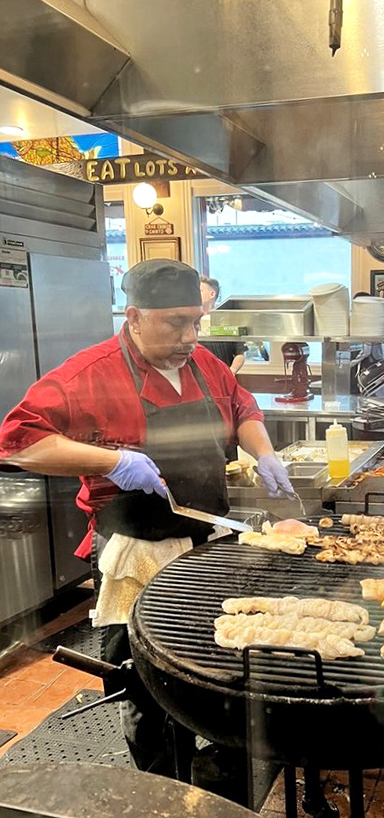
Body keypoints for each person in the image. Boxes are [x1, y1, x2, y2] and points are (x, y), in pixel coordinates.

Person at [0, 259, 293, 777]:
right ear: (133, 316)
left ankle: (220, 763)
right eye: (175, 323)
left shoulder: (206, 365)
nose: (190, 335)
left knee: (216, 655)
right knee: (141, 674)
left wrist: (264, 453)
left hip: (205, 542)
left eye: (195, 321)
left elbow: (244, 408)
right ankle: (159, 780)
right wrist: (112, 461)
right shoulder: (89, 374)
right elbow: (18, 440)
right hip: (134, 549)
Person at [199, 275, 247, 374]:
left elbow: (240, 353)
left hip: (222, 377)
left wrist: (231, 371)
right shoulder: (189, 319)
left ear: (212, 294)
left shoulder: (228, 320)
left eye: (200, 290)